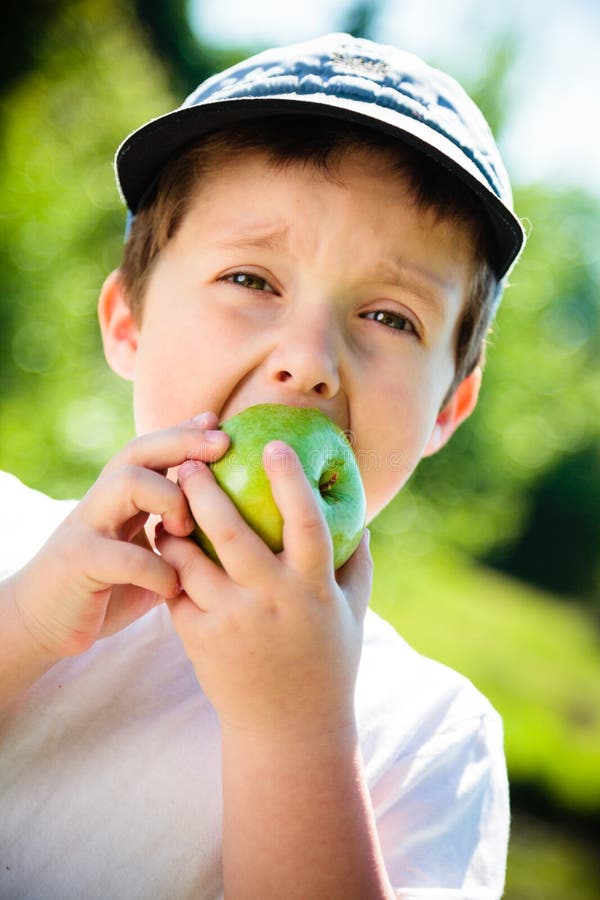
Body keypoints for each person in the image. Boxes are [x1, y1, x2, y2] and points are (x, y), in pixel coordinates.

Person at [0, 32, 525, 900]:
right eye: (252, 278)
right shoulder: (11, 542)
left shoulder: (432, 736)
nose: (307, 358)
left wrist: (299, 734)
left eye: (391, 319)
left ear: (446, 410)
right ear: (128, 322)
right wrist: (24, 622)